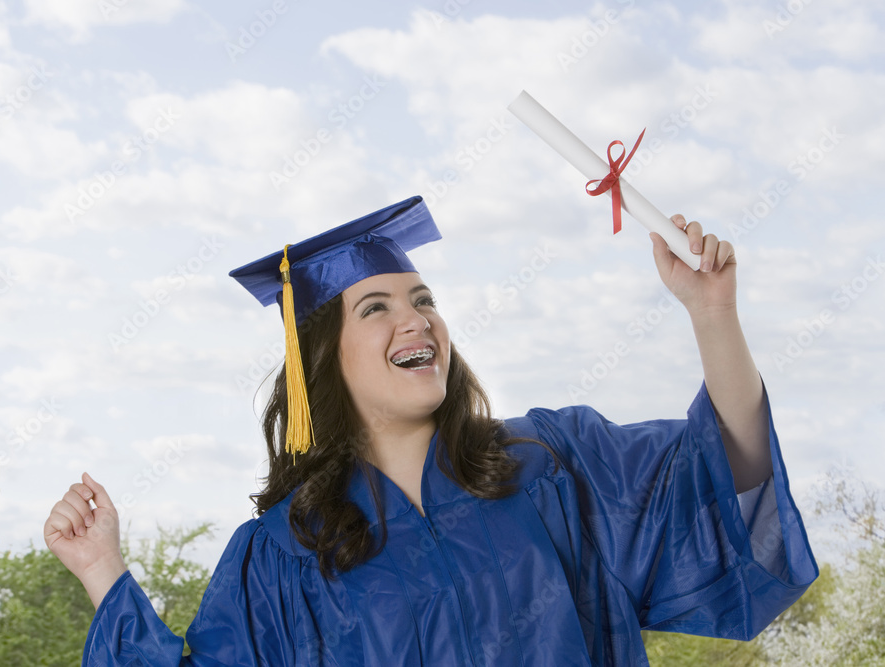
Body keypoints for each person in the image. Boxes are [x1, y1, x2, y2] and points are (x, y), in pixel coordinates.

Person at [44, 196, 818, 666]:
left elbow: (726, 480)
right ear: (323, 363)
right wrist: (102, 569)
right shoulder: (284, 555)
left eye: (423, 298)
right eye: (375, 306)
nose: (415, 317)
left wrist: (713, 314)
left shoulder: (549, 465)